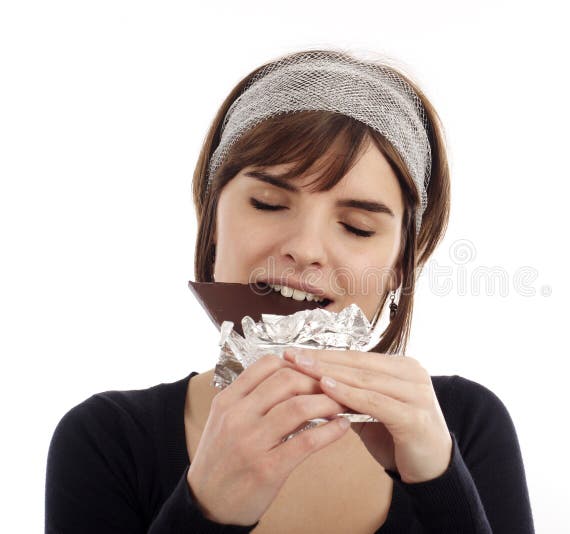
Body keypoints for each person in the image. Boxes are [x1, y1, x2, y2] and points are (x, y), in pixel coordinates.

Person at [45, 49, 535, 533]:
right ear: (212, 222)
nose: (305, 249)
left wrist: (443, 486)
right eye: (267, 203)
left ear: (399, 267)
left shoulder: (464, 427)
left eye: (358, 227)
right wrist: (206, 509)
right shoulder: (106, 439)